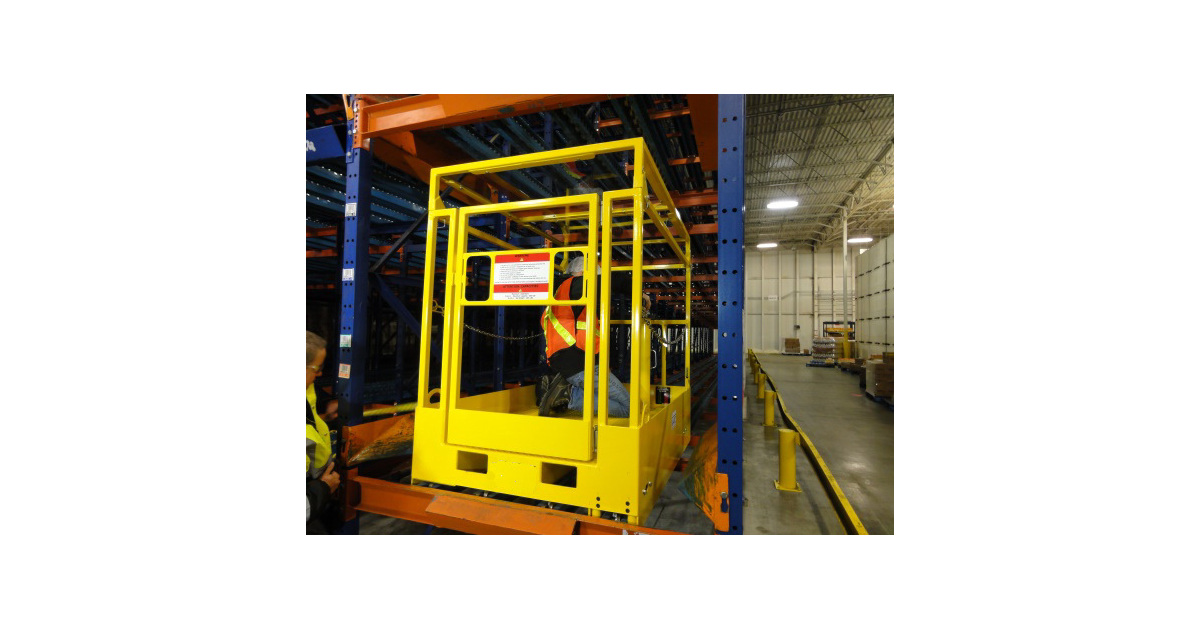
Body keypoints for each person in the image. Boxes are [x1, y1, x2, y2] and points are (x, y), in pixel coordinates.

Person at [539, 255, 647, 418]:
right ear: (584, 274)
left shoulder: (559, 293)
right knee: (630, 408)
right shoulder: (575, 286)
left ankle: (565, 389)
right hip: (581, 363)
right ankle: (568, 396)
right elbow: (614, 280)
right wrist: (640, 294)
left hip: (566, 362)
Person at [306, 331, 340, 534]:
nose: (319, 374)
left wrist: (327, 406)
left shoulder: (307, 390)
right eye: (316, 368)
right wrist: (323, 488)